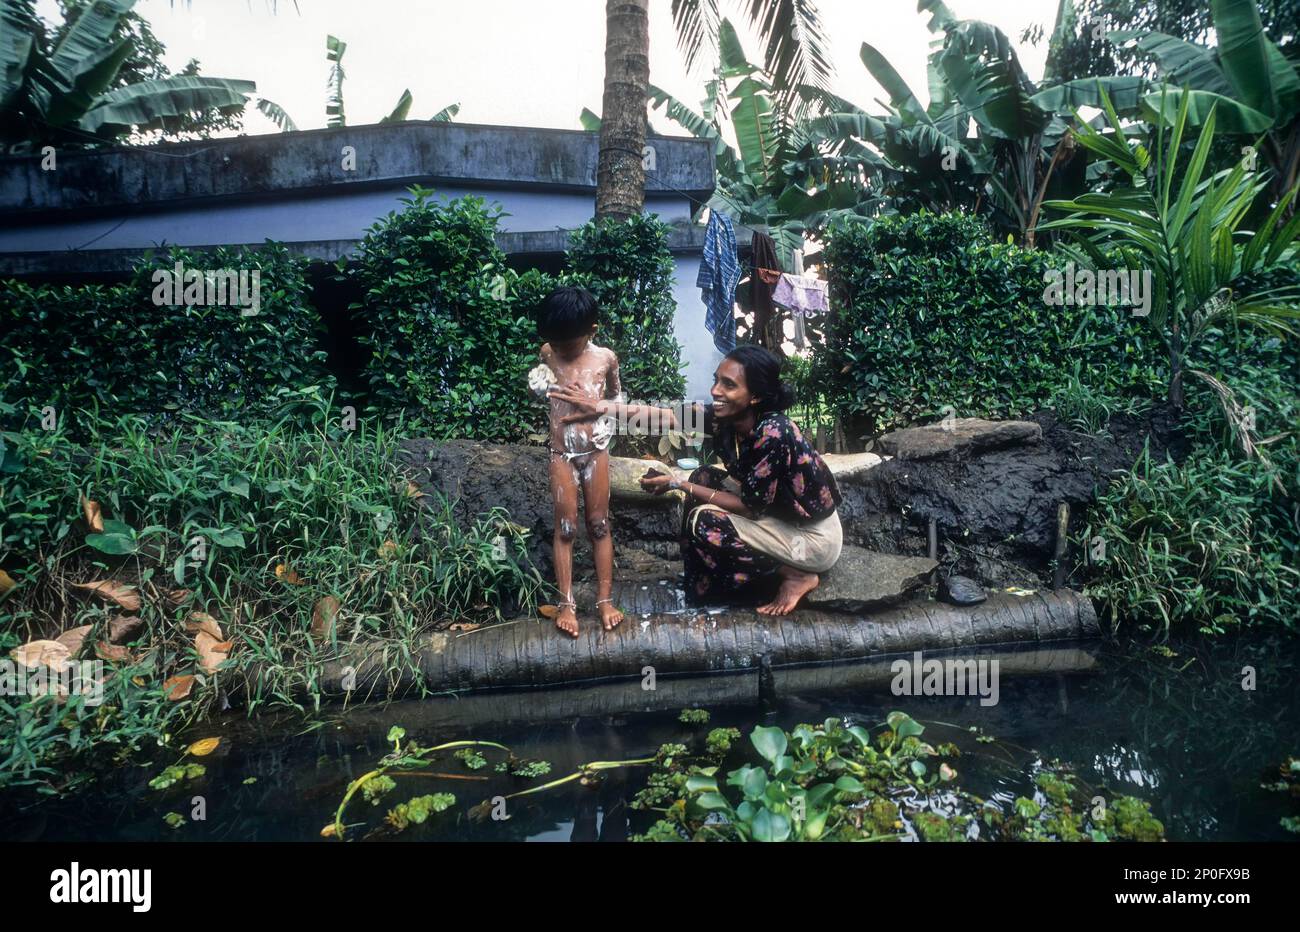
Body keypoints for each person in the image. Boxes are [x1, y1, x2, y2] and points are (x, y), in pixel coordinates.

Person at [549, 345, 842, 616]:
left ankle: (795, 574)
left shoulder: (774, 433)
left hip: (810, 538)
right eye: (717, 380)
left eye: (729, 385)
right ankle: (703, 585)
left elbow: (750, 508)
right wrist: (598, 407)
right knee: (705, 476)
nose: (716, 390)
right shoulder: (725, 418)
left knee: (704, 520)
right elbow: (663, 417)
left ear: (755, 396)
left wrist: (678, 483)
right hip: (778, 520)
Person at [529, 287, 625, 637]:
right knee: (566, 527)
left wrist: (598, 412)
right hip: (561, 453)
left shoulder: (605, 358)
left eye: (567, 345)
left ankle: (604, 600)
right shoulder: (548, 352)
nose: (559, 350)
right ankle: (567, 602)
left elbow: (617, 398)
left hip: (595, 452)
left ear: (592, 332)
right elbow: (540, 387)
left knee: (599, 523)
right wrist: (536, 385)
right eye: (554, 343)